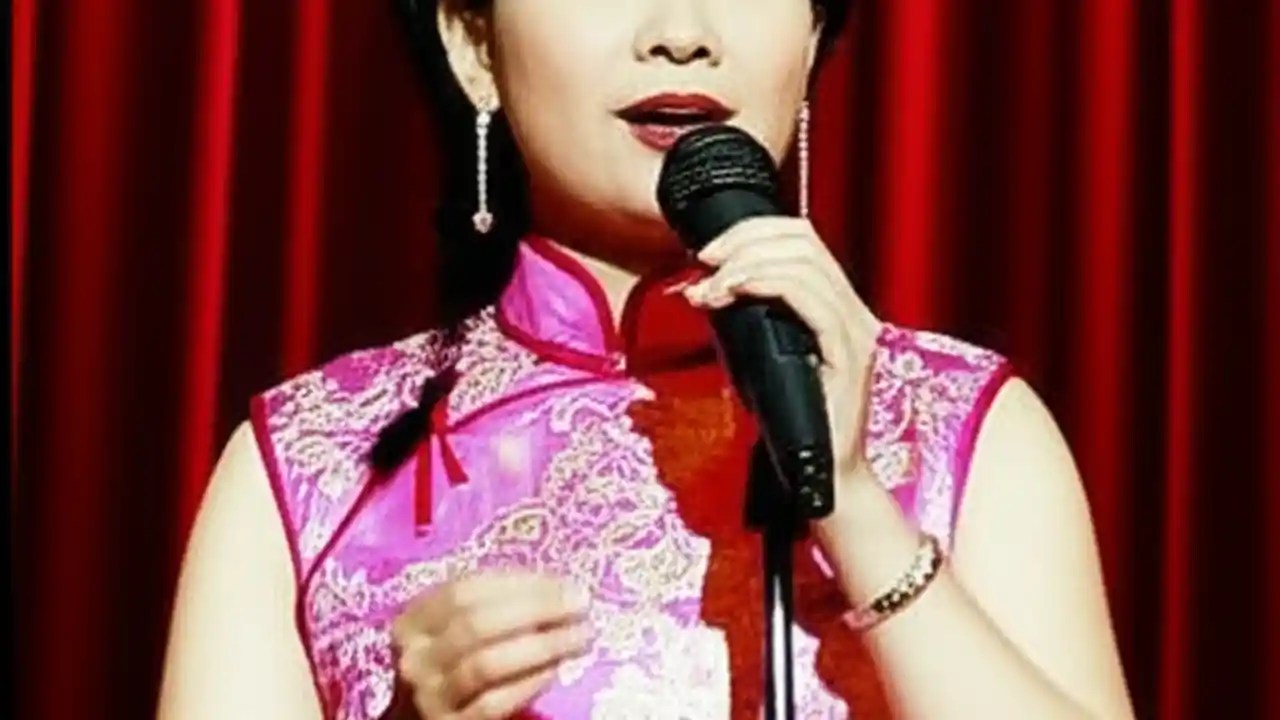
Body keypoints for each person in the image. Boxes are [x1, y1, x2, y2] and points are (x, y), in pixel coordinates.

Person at [158, 0, 1136, 718]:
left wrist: (852, 502)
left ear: (810, 36)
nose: (680, 31)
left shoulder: (966, 427)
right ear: (471, 43)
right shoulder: (311, 464)